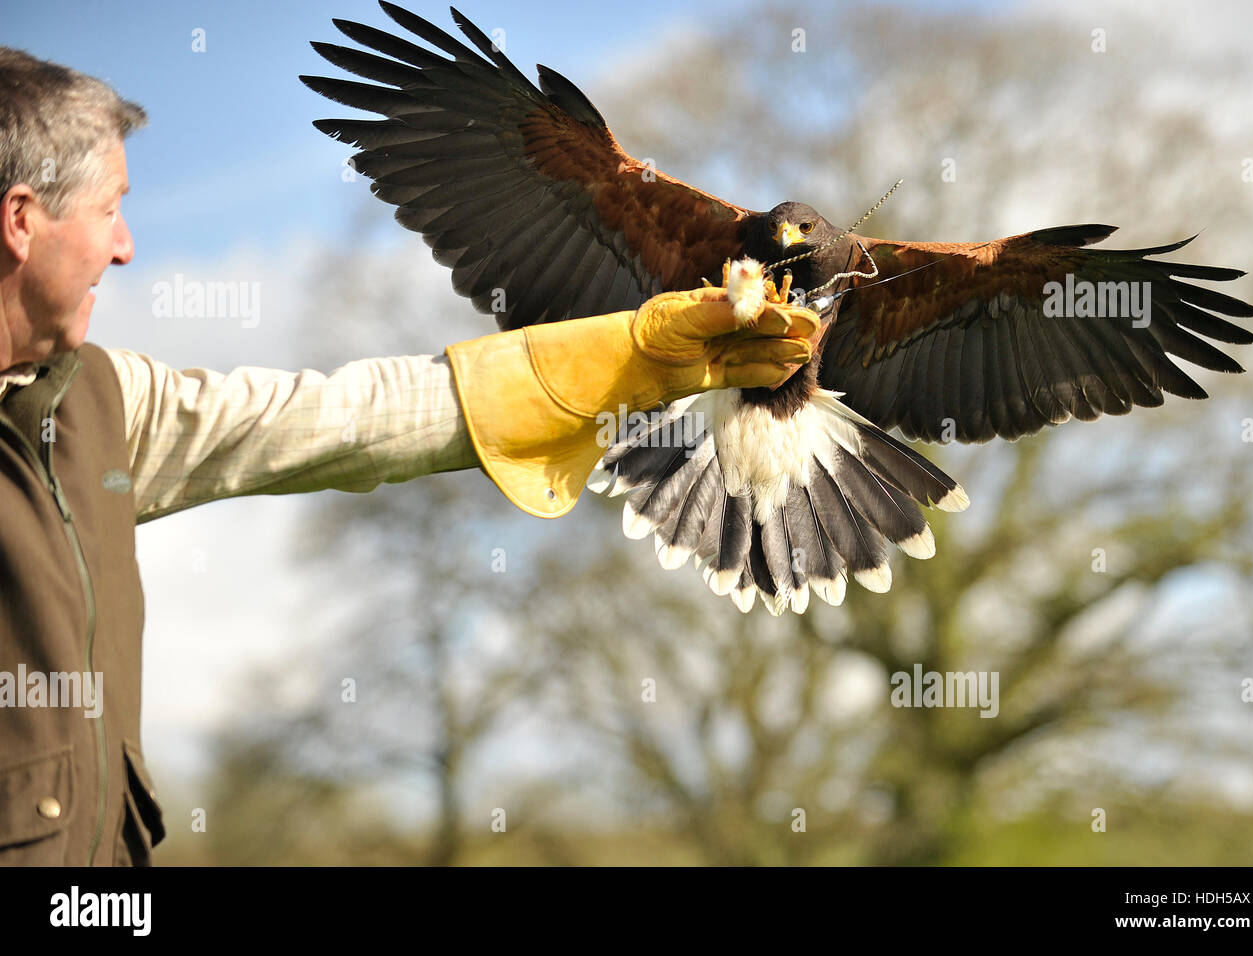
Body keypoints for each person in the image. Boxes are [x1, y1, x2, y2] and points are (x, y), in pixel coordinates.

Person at [0, 49, 817, 865]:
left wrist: (637, 359)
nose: (127, 249)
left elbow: (340, 420)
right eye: (111, 211)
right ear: (22, 219)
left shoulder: (104, 407)